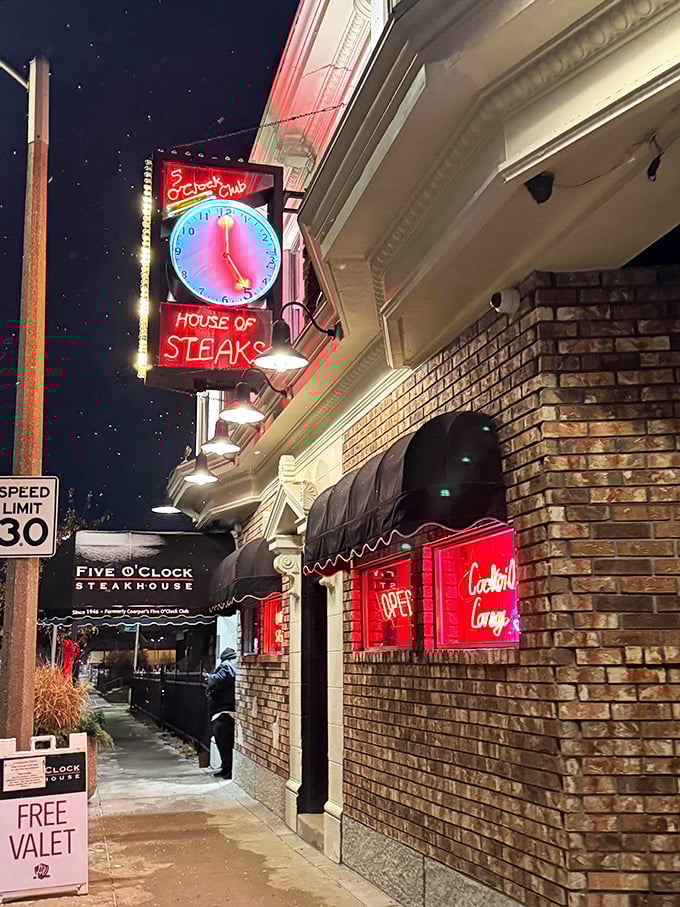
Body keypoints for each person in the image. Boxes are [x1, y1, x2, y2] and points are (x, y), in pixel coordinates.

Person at [206, 648, 236, 779]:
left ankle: (228, 770)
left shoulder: (226, 666)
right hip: (227, 710)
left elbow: (217, 681)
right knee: (225, 744)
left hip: (223, 711)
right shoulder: (233, 665)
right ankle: (226, 768)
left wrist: (209, 678)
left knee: (223, 743)